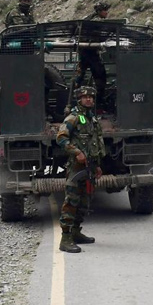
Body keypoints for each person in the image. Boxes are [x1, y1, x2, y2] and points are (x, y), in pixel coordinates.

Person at [56, 86, 105, 253]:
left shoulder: (92, 119)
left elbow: (95, 143)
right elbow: (61, 138)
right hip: (76, 168)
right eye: (85, 97)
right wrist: (76, 152)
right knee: (72, 201)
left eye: (91, 97)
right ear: (79, 99)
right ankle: (66, 238)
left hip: (89, 167)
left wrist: (97, 165)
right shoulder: (73, 118)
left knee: (84, 201)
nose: (89, 99)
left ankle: (76, 232)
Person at [76, 1, 110, 99]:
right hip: (90, 51)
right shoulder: (97, 20)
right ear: (99, 11)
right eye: (105, 10)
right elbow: (100, 36)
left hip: (84, 51)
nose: (106, 13)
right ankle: (99, 101)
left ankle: (74, 95)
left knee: (80, 76)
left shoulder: (89, 18)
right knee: (100, 75)